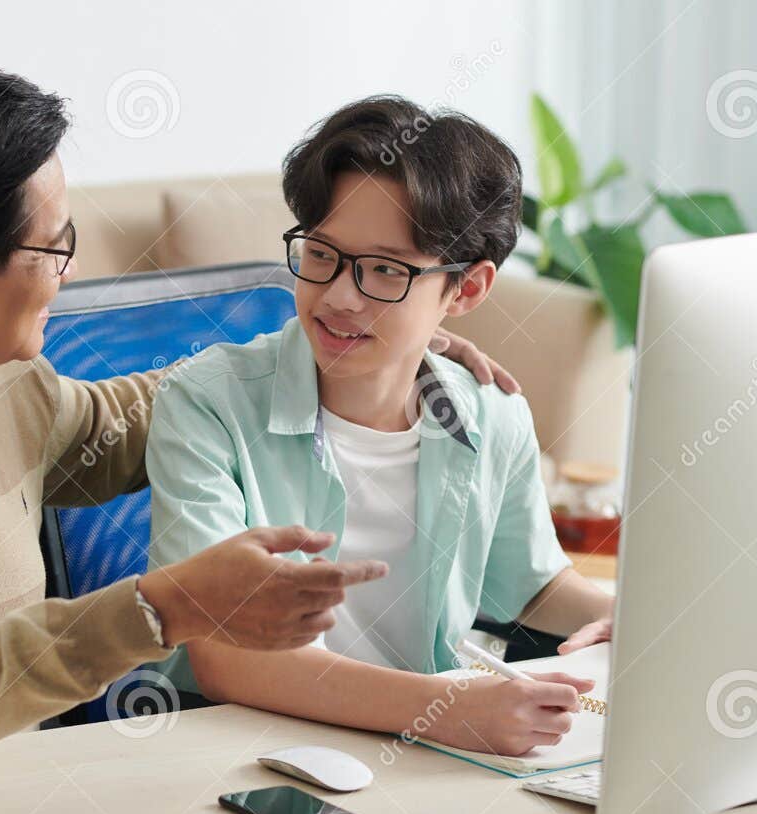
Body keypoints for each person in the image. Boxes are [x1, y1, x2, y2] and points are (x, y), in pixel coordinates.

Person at [0, 68, 514, 777]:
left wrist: (369, 331)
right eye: (54, 249)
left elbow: (155, 411)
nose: (68, 273)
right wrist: (157, 610)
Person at [146, 96, 615, 757]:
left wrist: (612, 614)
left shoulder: (490, 413)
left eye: (385, 271)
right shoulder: (207, 406)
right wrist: (447, 711)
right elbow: (226, 656)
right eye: (322, 254)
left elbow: (531, 583)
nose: (339, 296)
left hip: (420, 752)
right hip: (233, 747)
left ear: (468, 290)